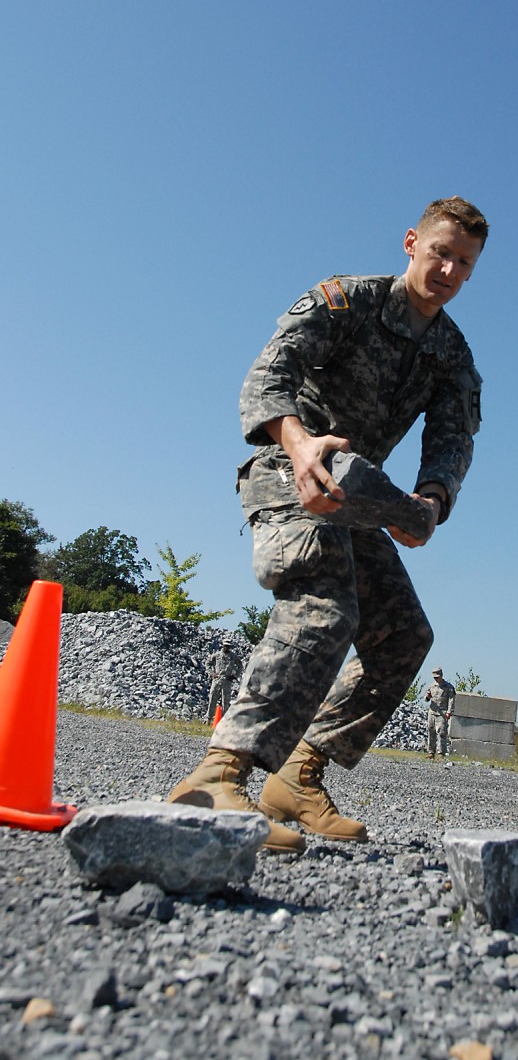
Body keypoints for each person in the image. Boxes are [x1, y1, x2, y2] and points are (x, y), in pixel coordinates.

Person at [169, 196, 488, 854]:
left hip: (358, 500)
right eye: (441, 252)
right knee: (324, 608)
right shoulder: (347, 301)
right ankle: (218, 775)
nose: (449, 270)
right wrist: (298, 441)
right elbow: (269, 373)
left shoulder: (452, 355)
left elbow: (453, 435)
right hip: (288, 473)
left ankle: (297, 778)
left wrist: (430, 500)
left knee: (404, 634)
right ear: (411, 243)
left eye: (465, 262)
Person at [204, 635, 242, 723]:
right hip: (217, 680)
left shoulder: (234, 656)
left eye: (228, 646)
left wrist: (235, 675)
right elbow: (208, 663)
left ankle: (224, 721)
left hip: (227, 681)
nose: (227, 647)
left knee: (226, 701)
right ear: (223, 645)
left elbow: (240, 666)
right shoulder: (217, 655)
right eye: (225, 645)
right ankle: (208, 719)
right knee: (212, 699)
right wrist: (212, 674)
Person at [425, 666, 456, 758]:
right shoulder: (431, 686)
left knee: (442, 732)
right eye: (434, 677)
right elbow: (426, 699)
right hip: (432, 711)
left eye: (437, 677)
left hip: (442, 712)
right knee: (431, 731)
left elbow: (451, 700)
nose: (436, 679)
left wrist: (449, 711)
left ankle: (441, 753)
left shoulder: (449, 687)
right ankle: (431, 752)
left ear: (441, 676)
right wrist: (427, 696)